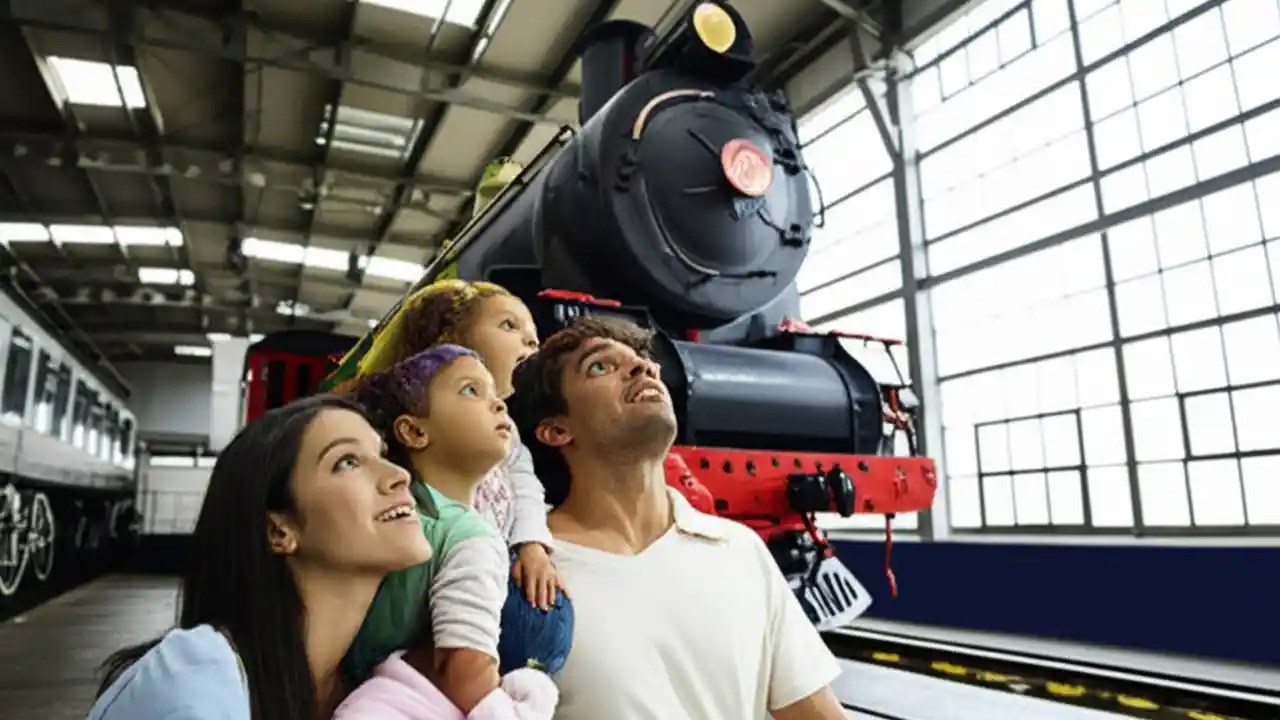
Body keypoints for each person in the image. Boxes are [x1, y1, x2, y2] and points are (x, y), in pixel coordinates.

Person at [507, 316, 847, 720]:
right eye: (600, 366)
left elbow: (812, 711)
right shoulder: (527, 570)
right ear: (555, 431)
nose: (643, 368)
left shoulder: (739, 550)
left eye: (642, 361)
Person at [86, 394, 434, 720]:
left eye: (383, 454)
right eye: (347, 462)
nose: (399, 475)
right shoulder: (192, 678)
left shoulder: (368, 687)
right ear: (279, 530)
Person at [339, 345, 570, 717]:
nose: (499, 405)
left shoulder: (392, 514)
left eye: (496, 395)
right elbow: (466, 669)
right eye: (471, 391)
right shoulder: (472, 538)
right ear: (414, 431)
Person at [325, 278, 560, 610]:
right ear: (447, 341)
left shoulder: (508, 433)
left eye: (533, 335)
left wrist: (531, 543)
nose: (532, 340)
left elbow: (525, 485)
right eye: (509, 325)